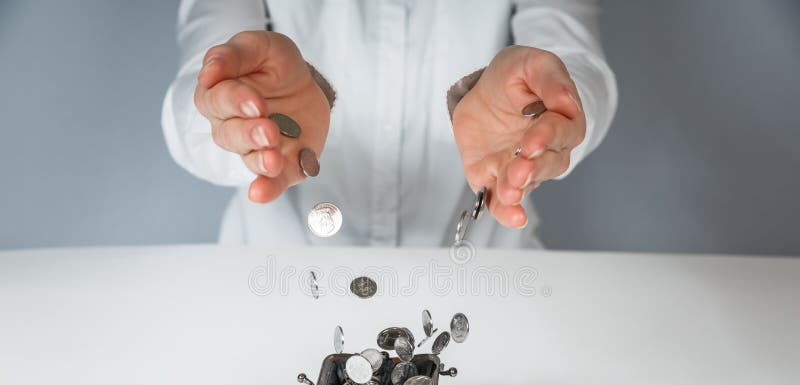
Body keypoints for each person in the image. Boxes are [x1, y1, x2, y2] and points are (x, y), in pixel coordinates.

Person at [162, 0, 617, 248]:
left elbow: (575, 59)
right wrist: (236, 113)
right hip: (276, 266)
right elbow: (194, 100)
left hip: (486, 272)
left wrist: (550, 111)